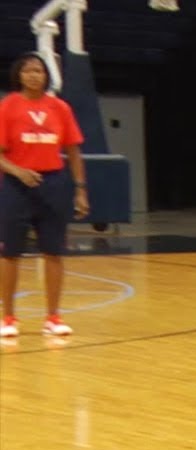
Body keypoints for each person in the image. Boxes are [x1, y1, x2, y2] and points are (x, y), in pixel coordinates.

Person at [0, 53, 88, 339]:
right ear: (19, 75)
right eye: (28, 70)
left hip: (54, 183)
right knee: (10, 252)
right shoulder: (7, 107)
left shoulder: (60, 108)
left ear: (46, 75)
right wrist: (18, 171)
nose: (34, 75)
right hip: (16, 186)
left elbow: (73, 151)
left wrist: (80, 190)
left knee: (53, 252)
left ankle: (53, 317)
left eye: (38, 70)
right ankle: (8, 318)